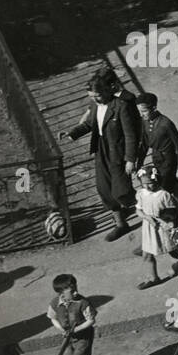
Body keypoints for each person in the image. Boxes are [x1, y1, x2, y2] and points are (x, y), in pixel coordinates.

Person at [59, 70, 139, 241]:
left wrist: (130, 159)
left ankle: (150, 208)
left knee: (121, 190)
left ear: (107, 91)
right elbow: (89, 124)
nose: (95, 99)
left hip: (118, 152)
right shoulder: (96, 105)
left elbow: (131, 135)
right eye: (91, 96)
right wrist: (71, 133)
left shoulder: (121, 106)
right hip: (102, 149)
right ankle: (121, 224)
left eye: (97, 96)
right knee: (104, 188)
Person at [135, 92, 178, 235]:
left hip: (169, 162)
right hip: (157, 159)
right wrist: (138, 163)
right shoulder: (145, 121)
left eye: (144, 110)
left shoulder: (166, 123)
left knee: (161, 194)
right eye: (139, 111)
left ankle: (173, 229)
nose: (142, 114)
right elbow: (145, 144)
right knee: (176, 191)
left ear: (154, 108)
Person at [45, 273, 102, 355]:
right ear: (61, 294)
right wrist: (61, 329)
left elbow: (91, 320)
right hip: (68, 337)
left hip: (84, 336)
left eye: (76, 289)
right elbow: (52, 318)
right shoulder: (55, 303)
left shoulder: (83, 302)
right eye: (72, 291)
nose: (76, 293)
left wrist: (75, 330)